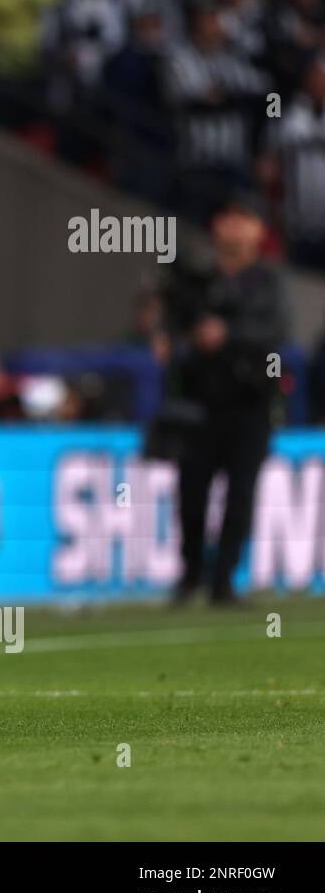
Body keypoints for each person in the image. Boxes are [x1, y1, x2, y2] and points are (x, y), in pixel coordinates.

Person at [162, 200, 287, 606]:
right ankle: (190, 574)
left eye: (243, 220)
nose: (233, 228)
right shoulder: (196, 279)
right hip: (200, 405)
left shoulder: (267, 281)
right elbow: (170, 330)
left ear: (256, 231)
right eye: (227, 218)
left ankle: (224, 581)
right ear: (216, 226)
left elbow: (273, 333)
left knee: (240, 496)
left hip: (250, 404)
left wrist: (226, 334)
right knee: (191, 493)